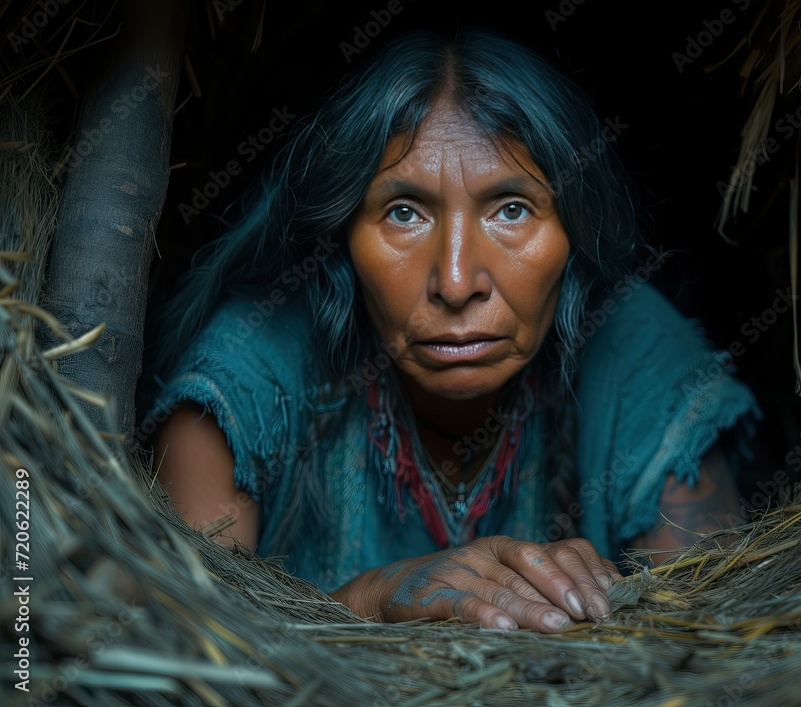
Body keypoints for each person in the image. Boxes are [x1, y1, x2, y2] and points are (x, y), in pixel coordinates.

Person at [139, 27, 761, 634]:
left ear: (575, 232)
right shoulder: (244, 378)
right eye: (403, 212)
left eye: (511, 209)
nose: (457, 281)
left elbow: (708, 648)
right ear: (340, 238)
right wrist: (370, 601)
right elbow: (186, 651)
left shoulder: (644, 360)